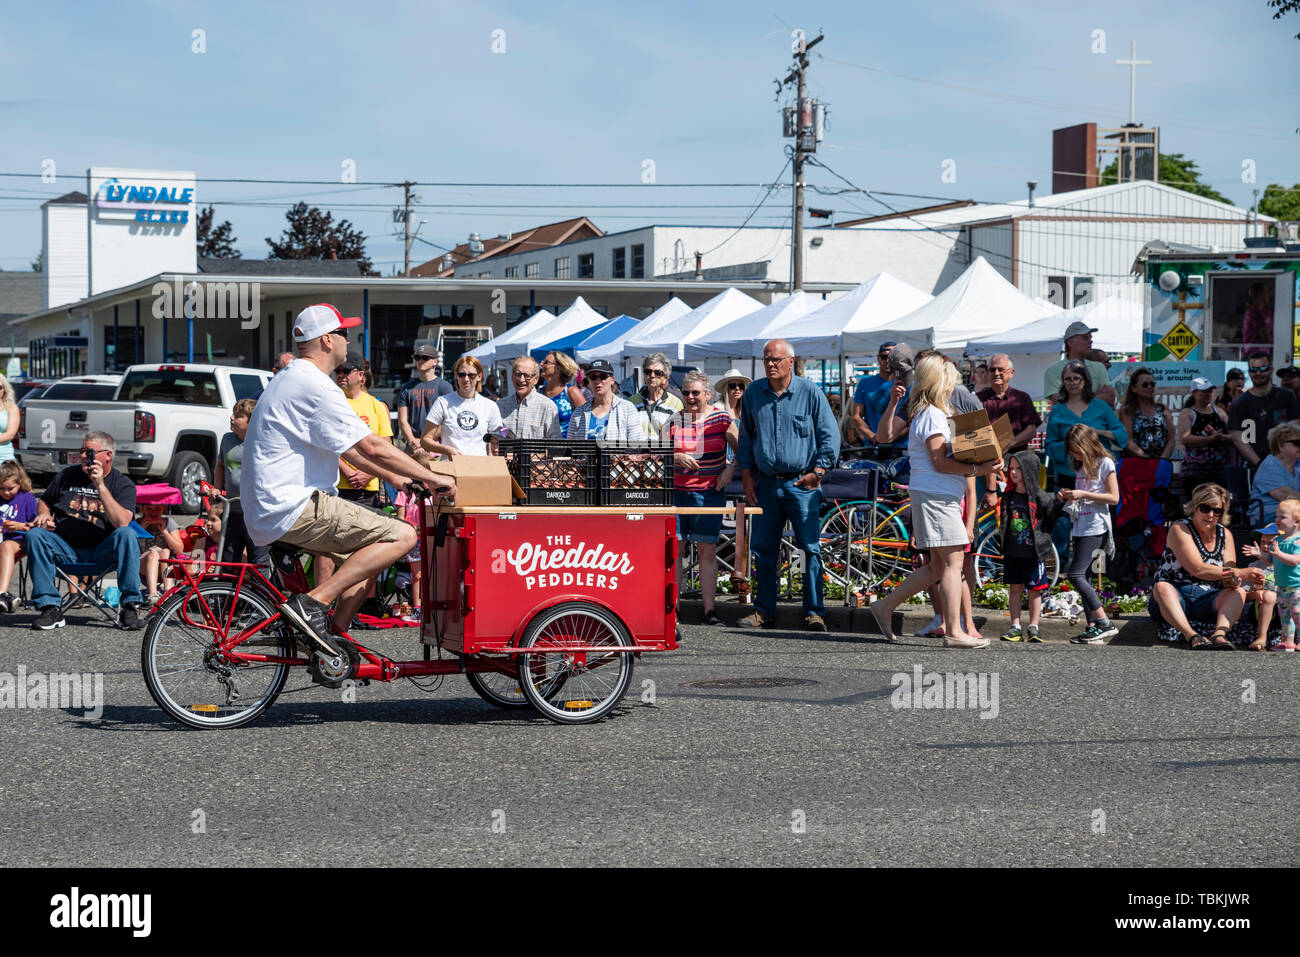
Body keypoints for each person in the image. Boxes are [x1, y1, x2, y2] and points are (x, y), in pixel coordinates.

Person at [242, 302, 454, 668]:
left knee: (363, 568)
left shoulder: (292, 378)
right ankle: (311, 605)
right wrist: (434, 478)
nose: (348, 340)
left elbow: (348, 448)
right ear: (327, 340)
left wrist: (394, 478)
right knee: (402, 536)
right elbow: (371, 445)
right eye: (343, 333)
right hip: (293, 505)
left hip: (273, 508)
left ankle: (330, 647)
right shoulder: (314, 385)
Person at [867, 353, 1001, 647]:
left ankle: (885, 606)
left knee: (938, 567)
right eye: (951, 378)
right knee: (952, 563)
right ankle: (954, 631)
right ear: (941, 380)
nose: (955, 383)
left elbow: (940, 459)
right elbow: (940, 462)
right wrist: (981, 468)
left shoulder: (928, 412)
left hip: (934, 494)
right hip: (937, 495)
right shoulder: (933, 414)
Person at [735, 339, 839, 632]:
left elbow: (829, 435)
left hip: (801, 483)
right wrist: (746, 474)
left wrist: (818, 472)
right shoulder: (755, 392)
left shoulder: (809, 392)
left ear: (791, 362)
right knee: (763, 550)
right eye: (767, 358)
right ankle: (764, 611)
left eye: (776, 359)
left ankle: (814, 612)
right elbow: (746, 437)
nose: (770, 364)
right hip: (767, 483)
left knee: (808, 549)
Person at [24, 430, 146, 631]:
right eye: (81, 451)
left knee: (127, 534)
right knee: (35, 535)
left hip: (101, 553)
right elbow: (46, 501)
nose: (82, 456)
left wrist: (99, 485)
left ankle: (130, 606)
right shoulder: (67, 475)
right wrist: (44, 514)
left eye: (88, 452)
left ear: (108, 455)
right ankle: (50, 608)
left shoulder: (123, 484)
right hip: (66, 550)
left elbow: (121, 522)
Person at [663, 371, 737, 626]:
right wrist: (674, 457)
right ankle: (674, 611)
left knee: (706, 550)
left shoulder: (722, 418)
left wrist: (730, 468)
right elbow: (657, 456)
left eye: (696, 392)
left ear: (708, 394)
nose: (691, 397)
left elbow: (744, 449)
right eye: (686, 393)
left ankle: (709, 611)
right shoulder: (673, 421)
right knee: (676, 551)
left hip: (708, 493)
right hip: (677, 493)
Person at [1148, 483, 1259, 649]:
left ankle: (1219, 635)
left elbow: (1228, 575)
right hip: (1176, 595)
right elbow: (1198, 569)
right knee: (1162, 587)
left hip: (1208, 598)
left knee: (1238, 592)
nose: (1211, 515)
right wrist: (1241, 572)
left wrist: (1235, 580)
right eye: (1205, 509)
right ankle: (1191, 635)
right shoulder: (1180, 528)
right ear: (1194, 507)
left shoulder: (1225, 534)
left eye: (1217, 511)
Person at [1057, 424, 1121, 644]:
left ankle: (1104, 623)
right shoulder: (1080, 467)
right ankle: (1092, 626)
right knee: (1085, 577)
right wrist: (1068, 496)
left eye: (1077, 450)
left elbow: (1114, 498)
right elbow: (1083, 497)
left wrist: (1082, 493)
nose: (1074, 454)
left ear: (1088, 445)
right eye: (1072, 451)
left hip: (1097, 527)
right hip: (1081, 525)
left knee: (1075, 575)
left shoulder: (1105, 464)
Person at [997, 450, 1055, 643]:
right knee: (1014, 589)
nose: (1013, 472)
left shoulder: (1040, 497)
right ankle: (1015, 626)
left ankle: (1034, 626)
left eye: (1018, 469)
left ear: (1029, 470)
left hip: (1033, 553)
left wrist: (1044, 543)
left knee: (1034, 590)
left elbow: (1050, 519)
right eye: (1011, 468)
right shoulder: (1009, 496)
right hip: (1013, 552)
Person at [1044, 360, 1127, 488]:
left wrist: (1097, 432)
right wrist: (1071, 444)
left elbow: (1122, 435)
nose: (1072, 383)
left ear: (1085, 380)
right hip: (1068, 476)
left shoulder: (1101, 407)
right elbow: (1049, 445)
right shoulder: (1057, 411)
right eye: (1068, 379)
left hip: (1099, 476)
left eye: (1076, 378)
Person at [215, 398, 270, 570]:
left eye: (238, 416)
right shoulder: (227, 439)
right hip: (233, 509)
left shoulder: (262, 442)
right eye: (233, 414)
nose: (232, 418)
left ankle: (262, 594)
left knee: (258, 559)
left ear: (251, 420)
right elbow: (220, 465)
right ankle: (225, 596)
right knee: (228, 558)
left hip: (257, 511)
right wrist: (217, 488)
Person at [335, 351, 394, 505]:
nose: (341, 375)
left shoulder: (377, 406)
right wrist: (347, 471)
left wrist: (368, 473)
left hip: (368, 488)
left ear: (361, 375)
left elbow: (385, 447)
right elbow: (326, 444)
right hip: (337, 486)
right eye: (338, 371)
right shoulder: (332, 404)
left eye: (346, 371)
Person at [1227, 350, 1300, 470]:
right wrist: (1260, 464)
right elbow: (1238, 438)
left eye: (1263, 368)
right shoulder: (1240, 403)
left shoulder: (1286, 396)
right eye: (1253, 370)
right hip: (1257, 465)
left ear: (1271, 370)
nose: (1258, 373)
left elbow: (1296, 428)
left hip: (1288, 462)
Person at [422, 355, 504, 458]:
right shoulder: (443, 402)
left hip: (480, 468)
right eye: (462, 374)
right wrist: (447, 450)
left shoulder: (490, 406)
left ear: (479, 376)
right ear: (456, 375)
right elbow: (425, 440)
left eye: (471, 375)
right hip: (450, 468)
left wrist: (507, 435)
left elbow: (500, 437)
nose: (466, 379)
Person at [976, 354, 1042, 455]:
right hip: (986, 459)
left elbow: (1031, 430)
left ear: (1011, 372)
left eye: (1001, 369)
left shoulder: (1022, 398)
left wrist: (1008, 444)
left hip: (1015, 459)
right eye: (992, 370)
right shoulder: (977, 399)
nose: (996, 373)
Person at [1177, 376, 1230, 495]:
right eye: (1204, 391)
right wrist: (1209, 439)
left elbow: (1232, 434)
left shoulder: (1220, 413)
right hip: (1194, 472)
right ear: (1194, 393)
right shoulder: (1187, 413)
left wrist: (1222, 437)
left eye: (1210, 391)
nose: (1208, 394)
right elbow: (1184, 438)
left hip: (1218, 471)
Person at [396, 344, 453, 451]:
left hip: (437, 446)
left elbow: (447, 420)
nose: (420, 361)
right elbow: (402, 420)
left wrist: (426, 441)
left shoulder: (445, 387)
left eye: (425, 358)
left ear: (435, 362)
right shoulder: (406, 388)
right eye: (417, 358)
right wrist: (412, 441)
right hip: (412, 446)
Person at [567, 359, 640, 440]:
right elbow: (570, 447)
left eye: (603, 376)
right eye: (593, 377)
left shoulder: (627, 408)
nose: (598, 381)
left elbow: (636, 445)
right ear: (589, 381)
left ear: (612, 380)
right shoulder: (578, 412)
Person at [0, 461, 38, 612]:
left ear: (19, 484)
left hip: (19, 540)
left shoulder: (26, 498)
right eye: (1, 489)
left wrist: (20, 526)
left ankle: (2, 594)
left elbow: (38, 526)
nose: (6, 492)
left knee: (6, 546)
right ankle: (7, 599)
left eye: (10, 488)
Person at [1237, 521, 1281, 651]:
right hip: (1261, 610)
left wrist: (1262, 557)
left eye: (1270, 542)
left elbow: (1276, 566)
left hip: (1287, 611)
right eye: (1263, 542)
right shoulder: (1254, 567)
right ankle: (1261, 637)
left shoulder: (1290, 565)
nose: (1265, 546)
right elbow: (1243, 594)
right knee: (1269, 595)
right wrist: (1255, 594)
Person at [1262, 501, 1300, 651]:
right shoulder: (1277, 540)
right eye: (1277, 515)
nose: (1277, 519)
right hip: (1282, 585)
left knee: (1297, 613)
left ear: (1297, 521)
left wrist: (1279, 553)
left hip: (1296, 586)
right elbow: (1270, 562)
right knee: (1284, 615)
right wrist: (1259, 555)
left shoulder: (1297, 541)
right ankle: (1288, 641)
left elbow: (1295, 561)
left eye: (1282, 517)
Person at [1248, 421, 1300, 526]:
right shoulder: (1269, 466)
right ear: (1280, 445)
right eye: (1297, 443)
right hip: (1270, 515)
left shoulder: (1297, 464)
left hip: (1293, 513)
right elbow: (1285, 496)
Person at [497, 355, 560, 439]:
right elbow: (496, 439)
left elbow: (556, 443)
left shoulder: (547, 407)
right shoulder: (500, 406)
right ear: (512, 376)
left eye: (527, 375)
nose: (521, 379)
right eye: (518, 374)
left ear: (536, 379)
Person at [1118, 367, 1174, 461]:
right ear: (1134, 388)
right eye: (1145, 385)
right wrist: (1146, 458)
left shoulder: (1162, 409)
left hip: (1161, 463)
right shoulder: (1127, 411)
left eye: (1152, 384)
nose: (1150, 387)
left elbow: (1171, 439)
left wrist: (1162, 460)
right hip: (1136, 463)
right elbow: (1128, 441)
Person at [1043, 321, 1111, 398]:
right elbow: (1059, 403)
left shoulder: (1099, 367)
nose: (1090, 341)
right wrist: (1096, 399)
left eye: (1090, 338)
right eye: (1085, 338)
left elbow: (1109, 397)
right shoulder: (1053, 371)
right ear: (1070, 342)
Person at [629, 352, 684, 440]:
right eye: (648, 371)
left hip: (662, 453)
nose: (652, 375)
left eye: (657, 373)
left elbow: (678, 437)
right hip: (637, 452)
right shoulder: (632, 402)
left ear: (665, 378)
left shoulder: (676, 403)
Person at [850, 342, 896, 447]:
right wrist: (873, 437)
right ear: (878, 358)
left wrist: (890, 437)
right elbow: (856, 417)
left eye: (892, 357)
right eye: (884, 357)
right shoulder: (865, 383)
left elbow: (911, 420)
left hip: (901, 447)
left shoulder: (907, 384)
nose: (888, 361)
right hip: (872, 447)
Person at [138, 499, 182, 605]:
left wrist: (165, 532)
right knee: (153, 554)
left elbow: (179, 550)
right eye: (149, 509)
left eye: (157, 508)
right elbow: (129, 548)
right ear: (143, 509)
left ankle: (168, 592)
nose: (153, 512)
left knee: (165, 551)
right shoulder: (138, 523)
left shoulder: (169, 522)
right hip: (142, 567)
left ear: (163, 508)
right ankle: (153, 595)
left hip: (164, 567)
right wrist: (140, 530)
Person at [539, 351, 587, 437]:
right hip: (542, 447)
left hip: (566, 447)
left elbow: (585, 422)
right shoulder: (539, 392)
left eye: (546, 362)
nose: (542, 364)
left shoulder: (571, 392)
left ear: (558, 368)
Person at [0, 374, 19, 463]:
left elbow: (10, 434)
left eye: (0, 387)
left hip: (4, 458)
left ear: (5, 390)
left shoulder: (11, 407)